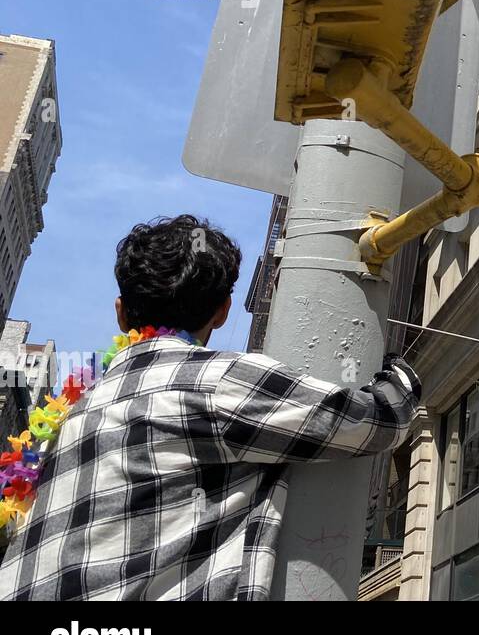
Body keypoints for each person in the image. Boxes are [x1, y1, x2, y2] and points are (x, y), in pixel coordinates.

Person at [0, 215, 421, 601]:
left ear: (120, 311)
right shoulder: (216, 383)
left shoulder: (71, 411)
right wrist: (400, 374)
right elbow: (374, 421)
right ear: (222, 312)